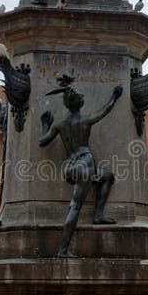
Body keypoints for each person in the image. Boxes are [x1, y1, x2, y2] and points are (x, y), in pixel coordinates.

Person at [39, 75, 122, 257]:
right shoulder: (85, 120)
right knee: (75, 207)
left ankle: (98, 215)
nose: (83, 97)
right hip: (84, 163)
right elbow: (104, 111)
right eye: (81, 96)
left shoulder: (60, 123)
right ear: (78, 103)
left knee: (107, 175)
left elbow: (42, 141)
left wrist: (45, 124)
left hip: (70, 167)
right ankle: (63, 250)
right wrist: (115, 96)